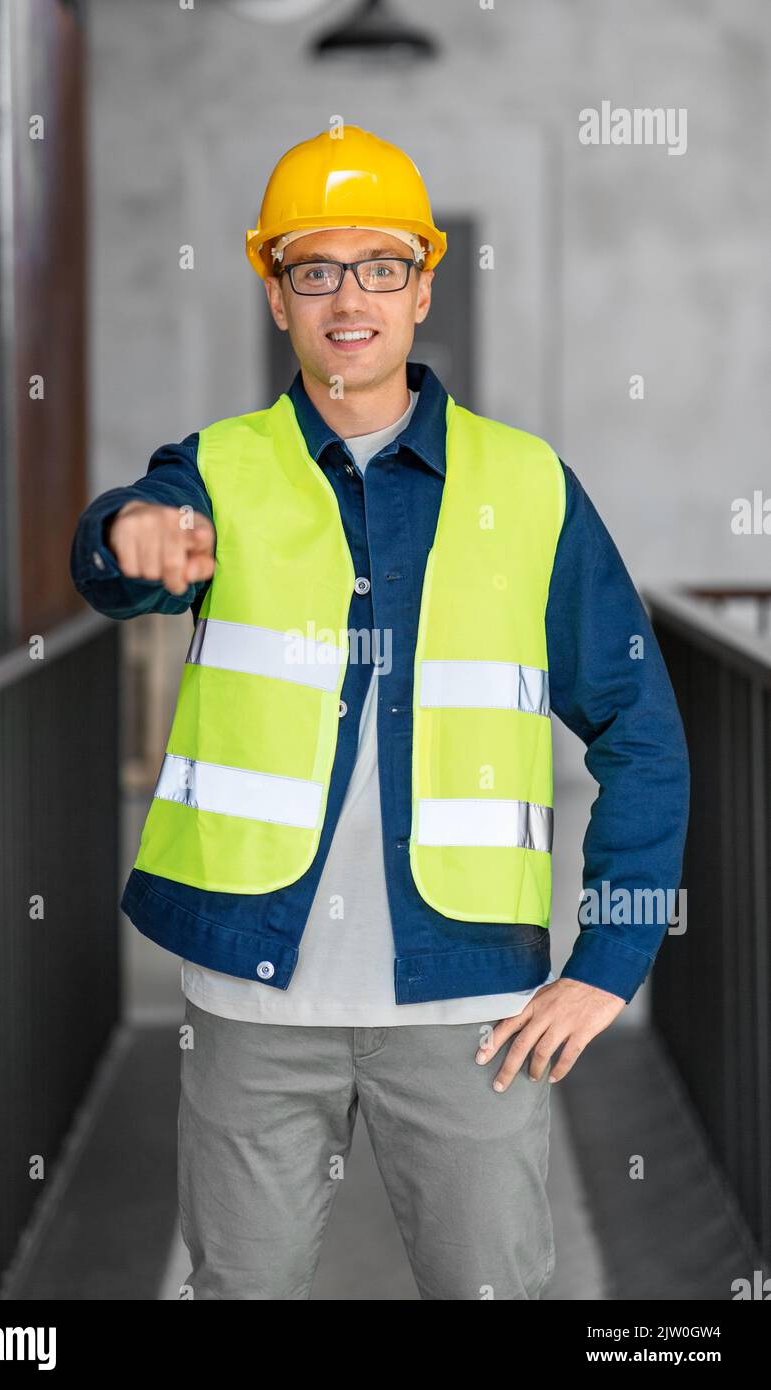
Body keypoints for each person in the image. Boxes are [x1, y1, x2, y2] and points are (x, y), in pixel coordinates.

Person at [70, 125, 690, 1300]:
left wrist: (610, 961)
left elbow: (640, 731)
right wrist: (127, 539)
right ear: (274, 292)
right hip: (249, 1004)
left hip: (468, 1011)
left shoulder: (530, 487)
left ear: (420, 286)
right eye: (313, 268)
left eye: (378, 266)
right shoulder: (213, 469)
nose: (346, 296)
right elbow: (124, 550)